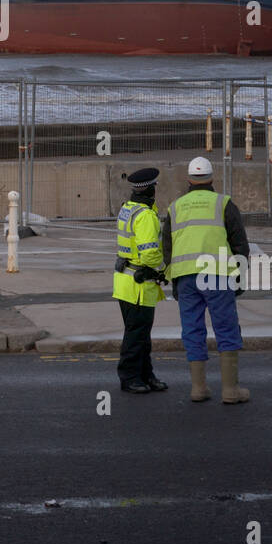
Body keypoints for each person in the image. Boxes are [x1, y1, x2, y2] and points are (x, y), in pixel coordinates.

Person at [162, 156, 250, 404]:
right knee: (226, 327)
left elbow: (166, 249)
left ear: (188, 179)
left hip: (186, 278)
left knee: (192, 328)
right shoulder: (224, 204)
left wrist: (174, 280)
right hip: (218, 276)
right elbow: (240, 244)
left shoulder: (175, 207)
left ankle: (198, 389)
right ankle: (231, 390)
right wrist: (239, 276)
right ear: (212, 177)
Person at [113, 166, 169, 394]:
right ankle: (129, 377)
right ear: (151, 189)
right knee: (136, 335)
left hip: (125, 281)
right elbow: (150, 253)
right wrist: (163, 269)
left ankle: (146, 375)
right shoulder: (145, 216)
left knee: (140, 335)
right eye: (155, 187)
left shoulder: (127, 209)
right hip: (139, 285)